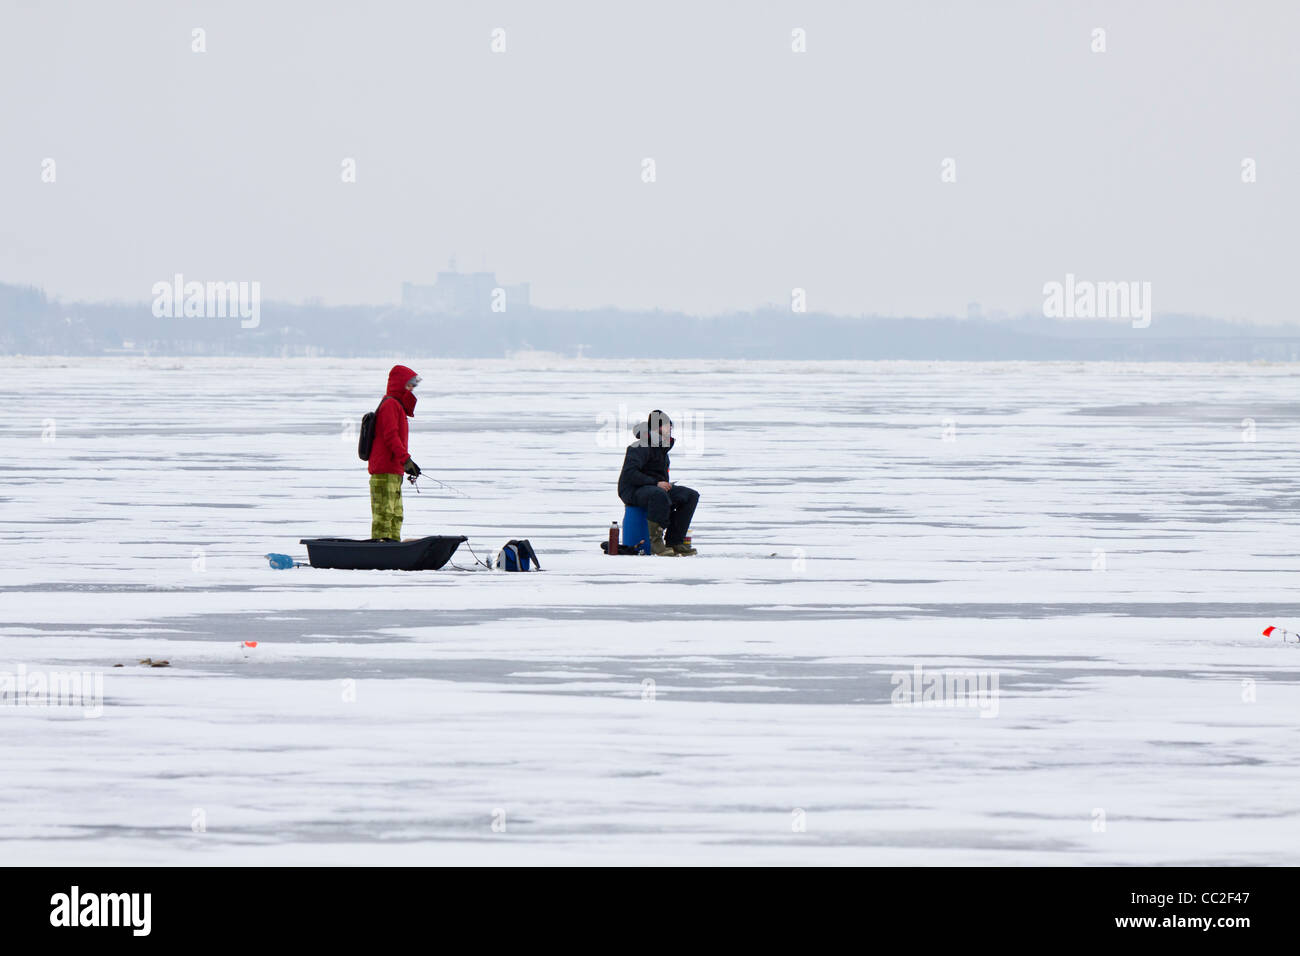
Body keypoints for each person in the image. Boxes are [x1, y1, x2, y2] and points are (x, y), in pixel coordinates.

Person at [618, 409, 699, 556]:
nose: (670, 429)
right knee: (658, 494)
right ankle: (656, 543)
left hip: (653, 488)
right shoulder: (639, 447)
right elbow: (630, 474)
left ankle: (675, 541)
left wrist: (665, 485)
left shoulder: (661, 448)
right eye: (668, 426)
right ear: (657, 428)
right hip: (632, 490)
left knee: (690, 495)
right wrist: (657, 483)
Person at [368, 364, 422, 541]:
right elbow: (391, 437)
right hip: (384, 471)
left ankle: (392, 549)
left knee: (396, 516)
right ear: (399, 384)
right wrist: (406, 460)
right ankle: (379, 552)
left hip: (394, 471)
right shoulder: (390, 404)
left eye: (413, 386)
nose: (412, 389)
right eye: (408, 385)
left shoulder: (398, 406)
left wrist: (405, 464)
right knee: (384, 516)